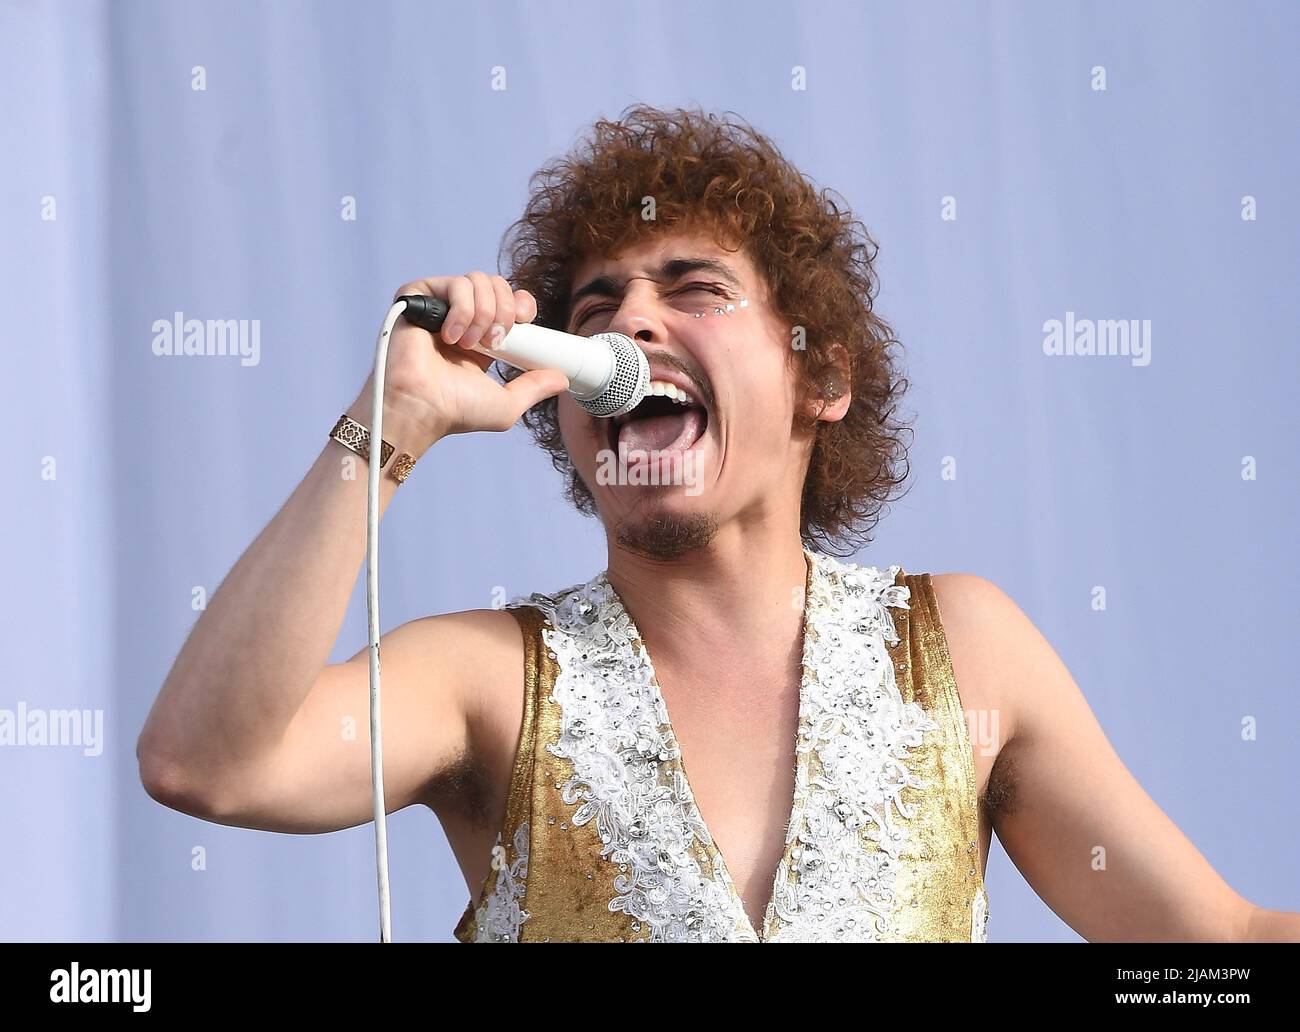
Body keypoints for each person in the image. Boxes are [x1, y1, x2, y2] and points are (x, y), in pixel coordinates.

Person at [137, 104, 1299, 943]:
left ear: (820, 378)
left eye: (693, 291)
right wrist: (384, 426)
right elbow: (205, 764)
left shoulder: (961, 647)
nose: (630, 325)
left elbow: (1217, 948)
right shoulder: (485, 678)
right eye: (597, 310)